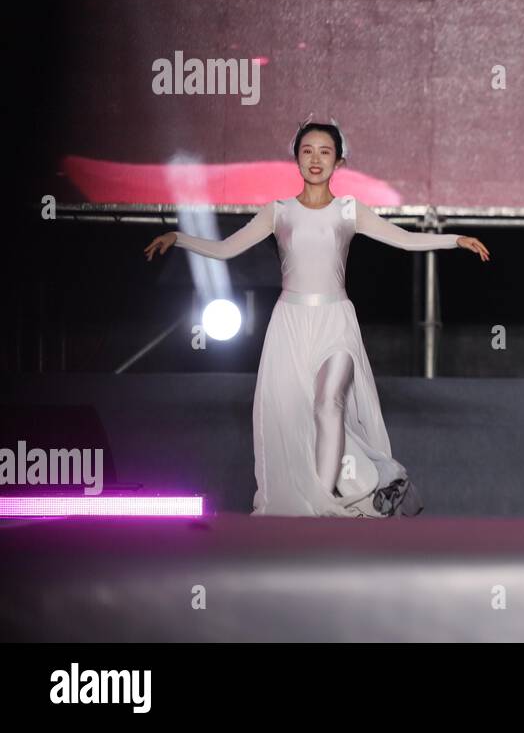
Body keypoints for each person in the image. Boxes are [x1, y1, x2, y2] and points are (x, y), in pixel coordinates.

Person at [144, 118, 490, 517]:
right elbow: (226, 249)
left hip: (336, 321)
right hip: (290, 326)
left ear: (338, 162)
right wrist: (178, 237)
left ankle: (323, 505)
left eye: (325, 152)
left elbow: (404, 238)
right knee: (290, 418)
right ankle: (314, 501)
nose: (315, 159)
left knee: (329, 403)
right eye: (307, 151)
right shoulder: (279, 212)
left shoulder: (348, 211)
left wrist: (455, 240)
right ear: (296, 159)